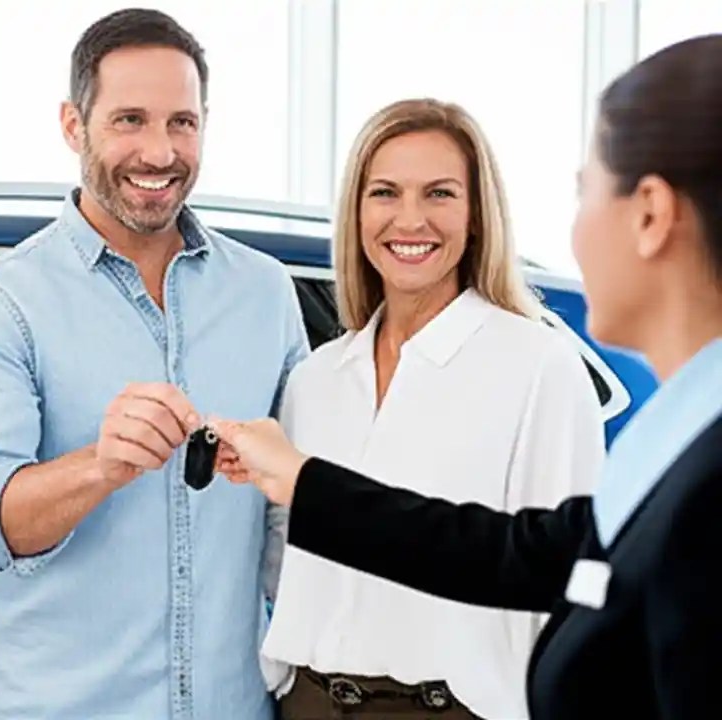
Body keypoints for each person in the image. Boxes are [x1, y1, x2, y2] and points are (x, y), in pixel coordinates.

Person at [210, 33, 722, 720]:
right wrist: (299, 480)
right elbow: (496, 552)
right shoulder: (318, 377)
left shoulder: (558, 377)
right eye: (384, 192)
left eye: (584, 193)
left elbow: (535, 582)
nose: (567, 240)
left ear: (652, 213)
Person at [0, 8, 309, 720]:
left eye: (182, 122)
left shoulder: (265, 293)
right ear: (74, 126)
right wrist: (99, 466)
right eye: (129, 120)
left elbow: (291, 523)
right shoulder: (3, 300)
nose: (160, 152)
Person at [257, 98, 606, 719]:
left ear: (477, 216)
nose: (409, 220)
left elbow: (568, 583)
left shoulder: (539, 367)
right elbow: (282, 564)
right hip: (307, 702)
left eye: (440, 194)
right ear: (357, 213)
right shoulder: (315, 380)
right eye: (385, 193)